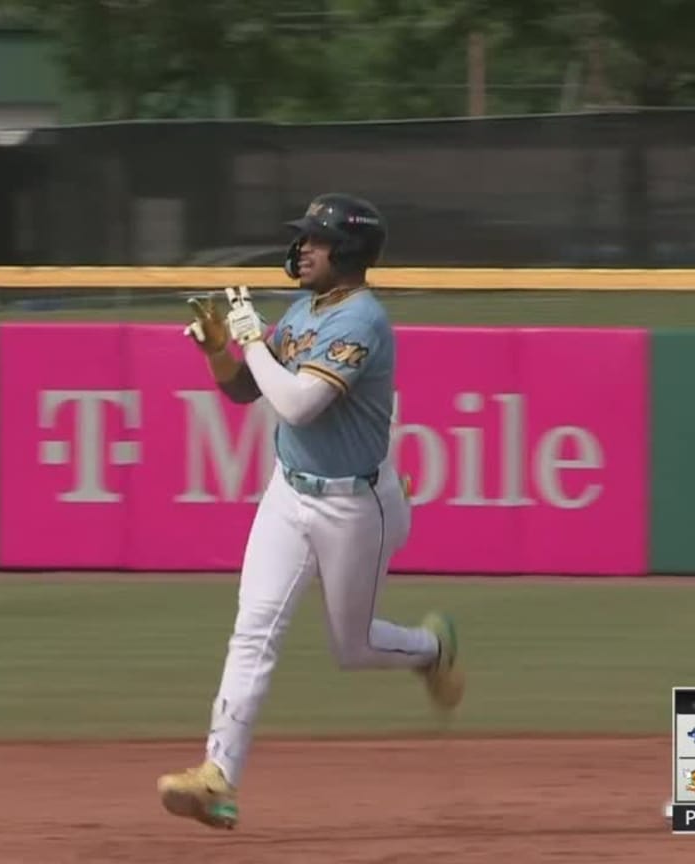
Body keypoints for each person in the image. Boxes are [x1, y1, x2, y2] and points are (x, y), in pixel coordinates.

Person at [158, 193, 464, 830]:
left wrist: (252, 341)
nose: (301, 249)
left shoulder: (362, 320)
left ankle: (432, 649)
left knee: (353, 647)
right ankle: (217, 778)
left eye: (315, 241)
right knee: (254, 629)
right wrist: (219, 350)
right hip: (288, 492)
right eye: (303, 239)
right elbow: (246, 390)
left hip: (355, 507)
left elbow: (298, 405)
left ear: (346, 251)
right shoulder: (305, 309)